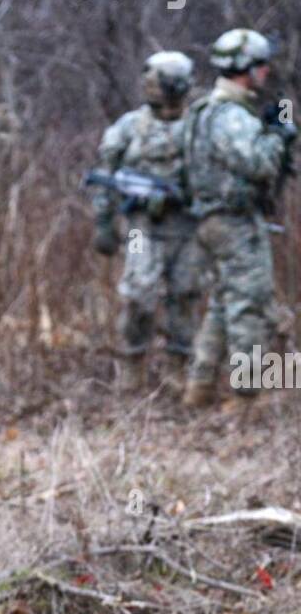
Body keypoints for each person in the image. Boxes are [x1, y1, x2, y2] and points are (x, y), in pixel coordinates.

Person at [182, 28, 296, 413]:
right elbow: (259, 164)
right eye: (261, 65)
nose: (266, 72)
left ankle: (199, 389)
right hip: (235, 223)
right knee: (251, 306)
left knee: (222, 305)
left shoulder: (205, 110)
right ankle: (246, 400)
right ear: (247, 68)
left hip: (212, 221)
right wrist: (279, 136)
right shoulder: (230, 115)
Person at [91, 51, 201, 391]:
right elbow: (105, 176)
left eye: (161, 83)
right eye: (150, 82)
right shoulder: (129, 127)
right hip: (143, 227)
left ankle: (178, 367)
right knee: (139, 293)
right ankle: (132, 365)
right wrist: (104, 223)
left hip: (188, 226)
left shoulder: (199, 127)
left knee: (185, 293)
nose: (153, 89)